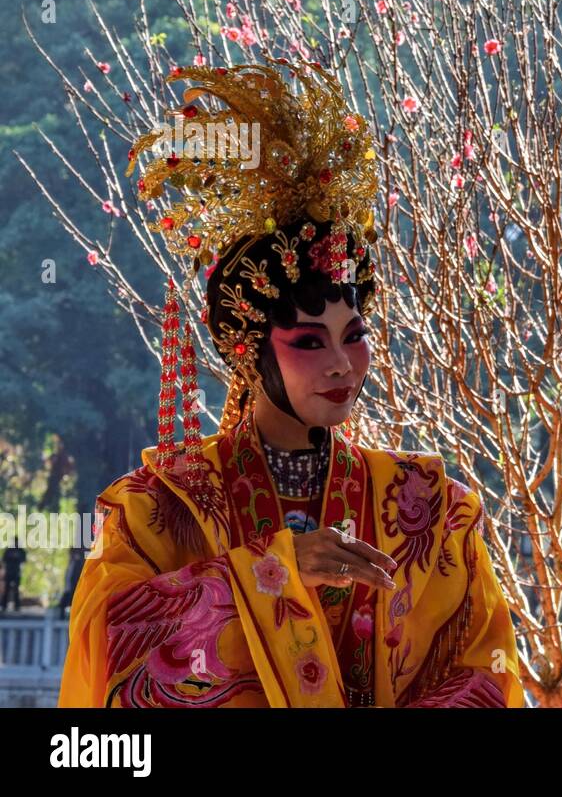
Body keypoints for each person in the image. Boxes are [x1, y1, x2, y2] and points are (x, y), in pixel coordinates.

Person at [61, 59, 522, 707]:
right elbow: (108, 642)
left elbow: (480, 672)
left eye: (353, 334)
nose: (341, 362)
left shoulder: (434, 510)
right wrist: (269, 573)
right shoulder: (157, 510)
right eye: (309, 341)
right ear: (247, 351)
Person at [2, 546, 25, 611]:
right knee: (7, 589)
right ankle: (4, 606)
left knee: (16, 590)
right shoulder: (8, 550)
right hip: (9, 572)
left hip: (17, 572)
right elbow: (4, 559)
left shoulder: (21, 550)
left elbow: (24, 560)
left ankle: (17, 606)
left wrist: (17, 558)